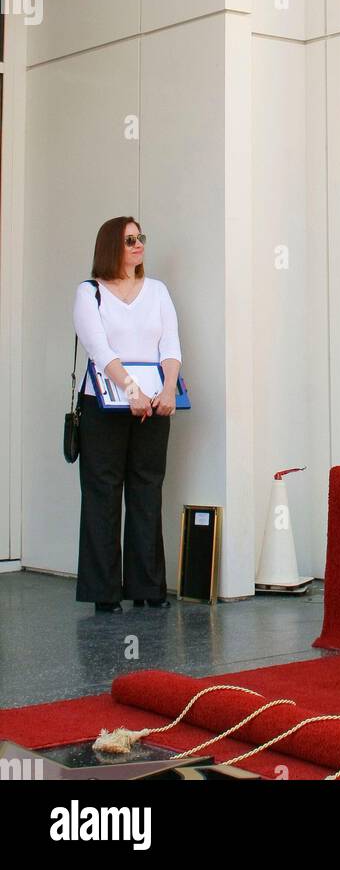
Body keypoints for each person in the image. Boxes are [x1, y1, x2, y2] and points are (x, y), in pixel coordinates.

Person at [72, 217, 182, 613]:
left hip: (154, 405)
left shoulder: (157, 291)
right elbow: (98, 349)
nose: (138, 245)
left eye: (141, 238)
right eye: (129, 240)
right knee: (103, 492)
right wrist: (130, 390)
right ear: (110, 247)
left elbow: (170, 344)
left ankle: (148, 586)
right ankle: (104, 592)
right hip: (104, 405)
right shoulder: (90, 293)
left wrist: (169, 388)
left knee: (147, 489)